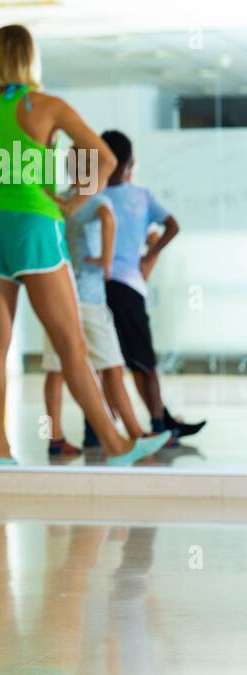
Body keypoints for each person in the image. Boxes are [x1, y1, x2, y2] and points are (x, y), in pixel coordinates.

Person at [0, 25, 170, 467]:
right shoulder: (50, 107)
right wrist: (76, 202)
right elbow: (106, 159)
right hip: (36, 227)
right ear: (31, 60)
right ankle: (114, 444)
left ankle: (0, 450)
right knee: (71, 343)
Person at [99, 130, 205, 445]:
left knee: (121, 361)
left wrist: (149, 253)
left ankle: (156, 421)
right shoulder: (139, 196)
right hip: (127, 286)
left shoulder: (96, 195)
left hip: (104, 286)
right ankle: (160, 426)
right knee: (145, 362)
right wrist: (149, 257)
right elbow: (172, 226)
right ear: (130, 163)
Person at [40, 178, 148, 457]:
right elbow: (107, 218)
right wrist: (106, 260)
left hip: (58, 294)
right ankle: (136, 433)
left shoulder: (60, 199)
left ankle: (55, 437)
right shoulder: (95, 199)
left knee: (56, 369)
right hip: (88, 295)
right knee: (112, 365)